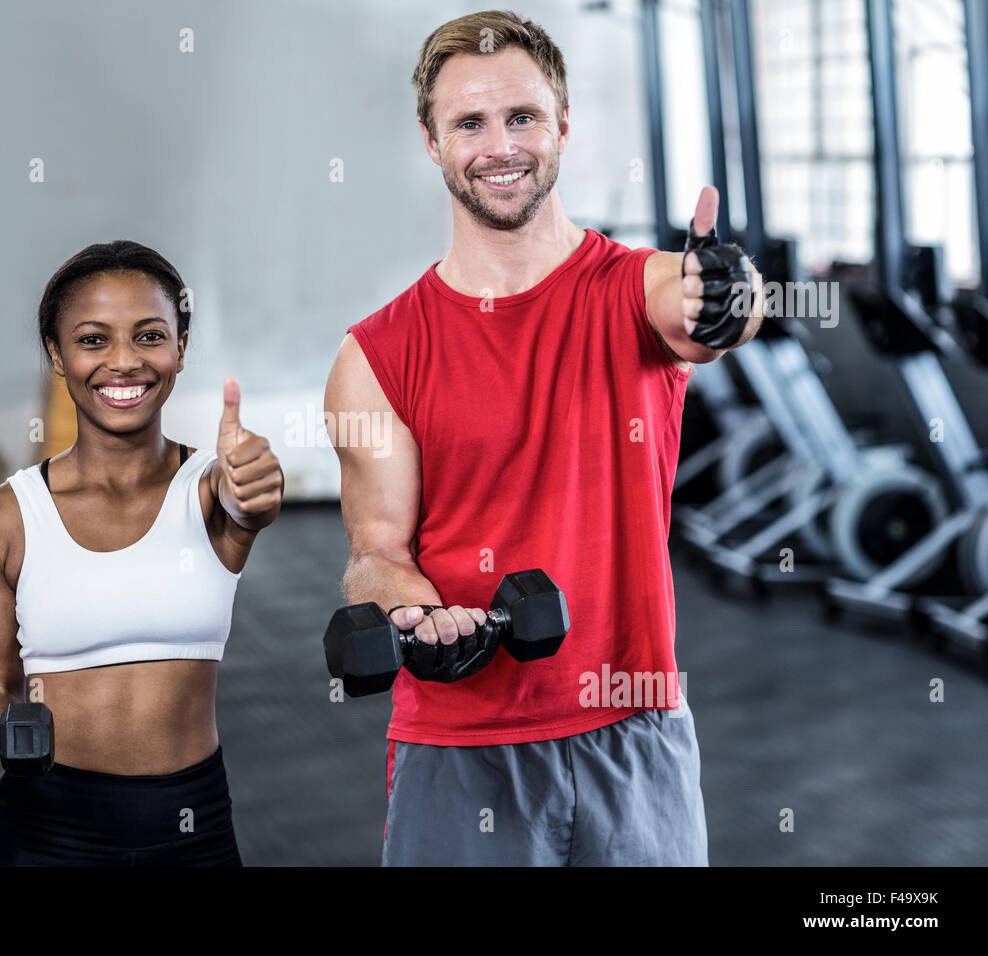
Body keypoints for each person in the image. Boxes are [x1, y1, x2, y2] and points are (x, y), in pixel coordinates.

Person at [324, 10, 763, 865]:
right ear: (431, 142)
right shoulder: (376, 355)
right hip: (458, 745)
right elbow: (375, 550)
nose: (501, 147)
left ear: (563, 123)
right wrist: (416, 613)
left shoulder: (636, 291)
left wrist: (729, 293)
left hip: (635, 727)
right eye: (470, 123)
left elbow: (707, 311)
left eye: (522, 116)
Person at [0, 240, 284, 866]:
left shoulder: (212, 491)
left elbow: (250, 504)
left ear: (181, 348)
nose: (124, 362)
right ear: (57, 355)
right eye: (93, 340)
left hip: (193, 829)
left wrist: (257, 484)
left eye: (149, 336)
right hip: (44, 832)